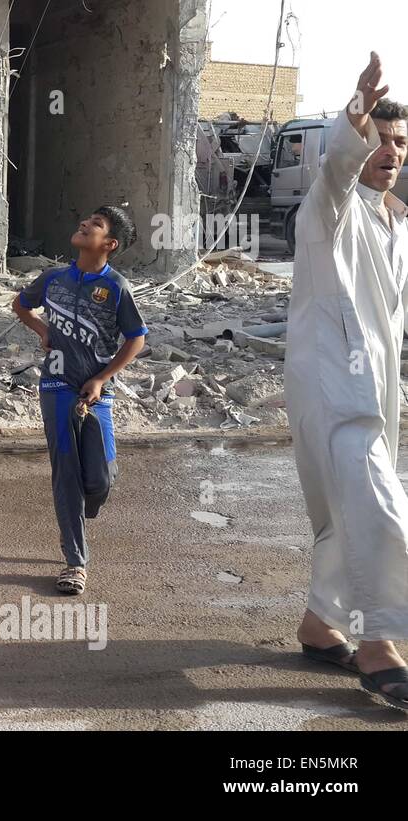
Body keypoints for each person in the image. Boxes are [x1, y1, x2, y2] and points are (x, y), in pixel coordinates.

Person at [286, 52, 408, 711]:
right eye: (380, 139)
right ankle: (380, 641)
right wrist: (356, 109)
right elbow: (334, 169)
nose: (391, 151)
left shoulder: (401, 225)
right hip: (331, 384)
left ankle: (320, 622)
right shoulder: (328, 210)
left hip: (375, 388)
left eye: (400, 141)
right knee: (380, 505)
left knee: (340, 517)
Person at [12, 206, 147, 595]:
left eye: (96, 225)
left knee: (100, 479)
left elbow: (136, 338)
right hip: (55, 384)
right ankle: (75, 561)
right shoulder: (53, 278)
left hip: (96, 391)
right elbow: (21, 304)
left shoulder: (117, 287)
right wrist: (41, 329)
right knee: (65, 471)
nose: (84, 225)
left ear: (110, 244)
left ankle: (92, 499)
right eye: (85, 221)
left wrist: (103, 378)